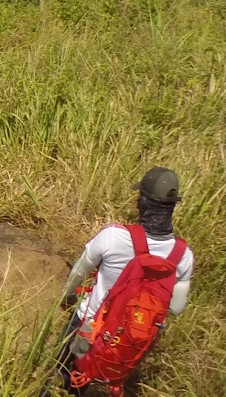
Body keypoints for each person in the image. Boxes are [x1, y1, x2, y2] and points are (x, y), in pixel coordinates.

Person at [56, 167, 194, 393]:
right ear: (171, 207)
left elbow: (78, 273)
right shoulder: (182, 255)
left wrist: (68, 296)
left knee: (59, 380)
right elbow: (177, 308)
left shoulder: (114, 237)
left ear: (142, 202)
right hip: (130, 340)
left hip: (87, 329)